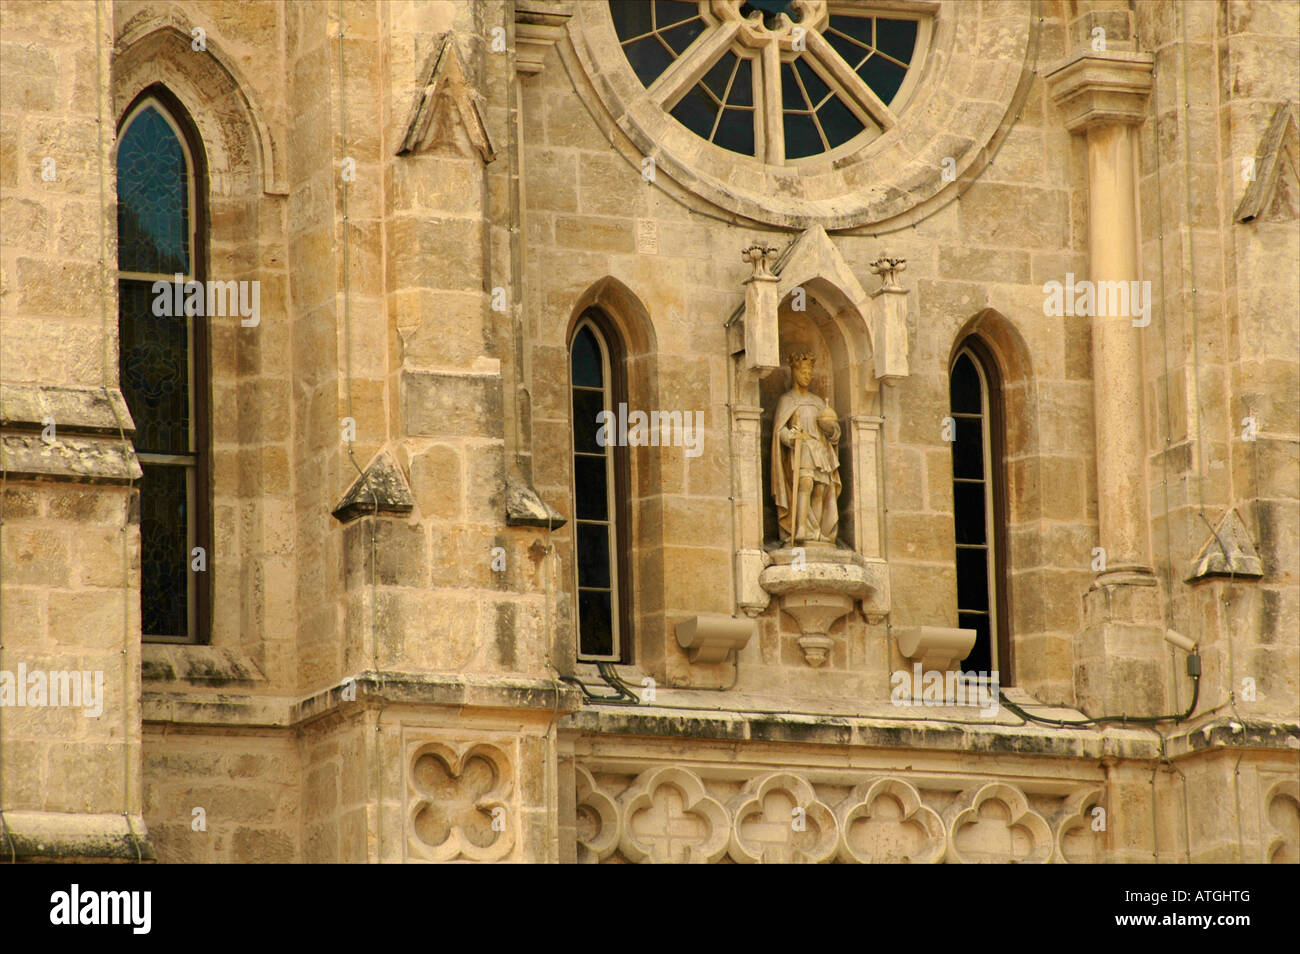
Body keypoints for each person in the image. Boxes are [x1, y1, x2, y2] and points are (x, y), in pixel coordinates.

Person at [771, 352, 841, 545]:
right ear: (794, 372)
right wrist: (792, 438)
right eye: (803, 372)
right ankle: (801, 527)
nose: (807, 376)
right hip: (802, 449)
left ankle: (816, 531)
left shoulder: (818, 402)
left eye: (809, 373)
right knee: (805, 484)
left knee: (820, 489)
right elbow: (780, 430)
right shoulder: (787, 400)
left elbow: (834, 431)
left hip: (820, 450)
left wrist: (832, 430)